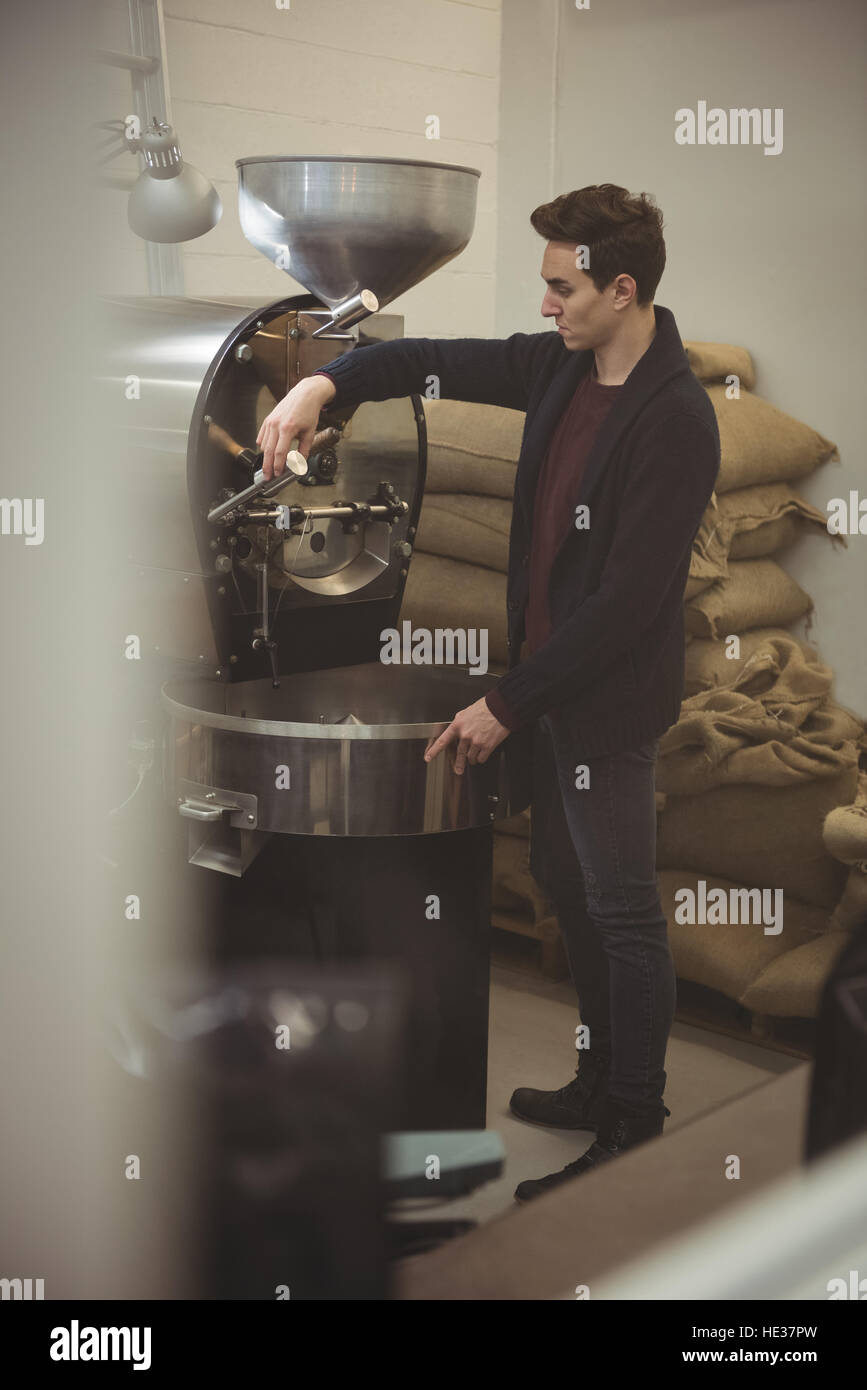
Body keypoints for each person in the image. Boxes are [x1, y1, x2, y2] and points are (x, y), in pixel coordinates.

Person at [257, 184, 720, 1203]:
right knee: (570, 893)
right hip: (553, 697)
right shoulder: (561, 367)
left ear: (623, 288)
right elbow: (439, 359)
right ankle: (598, 1076)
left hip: (599, 704)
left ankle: (634, 1116)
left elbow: (631, 604)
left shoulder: (676, 419)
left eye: (563, 285)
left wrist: (507, 702)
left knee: (620, 910)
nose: (546, 302)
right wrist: (322, 390)